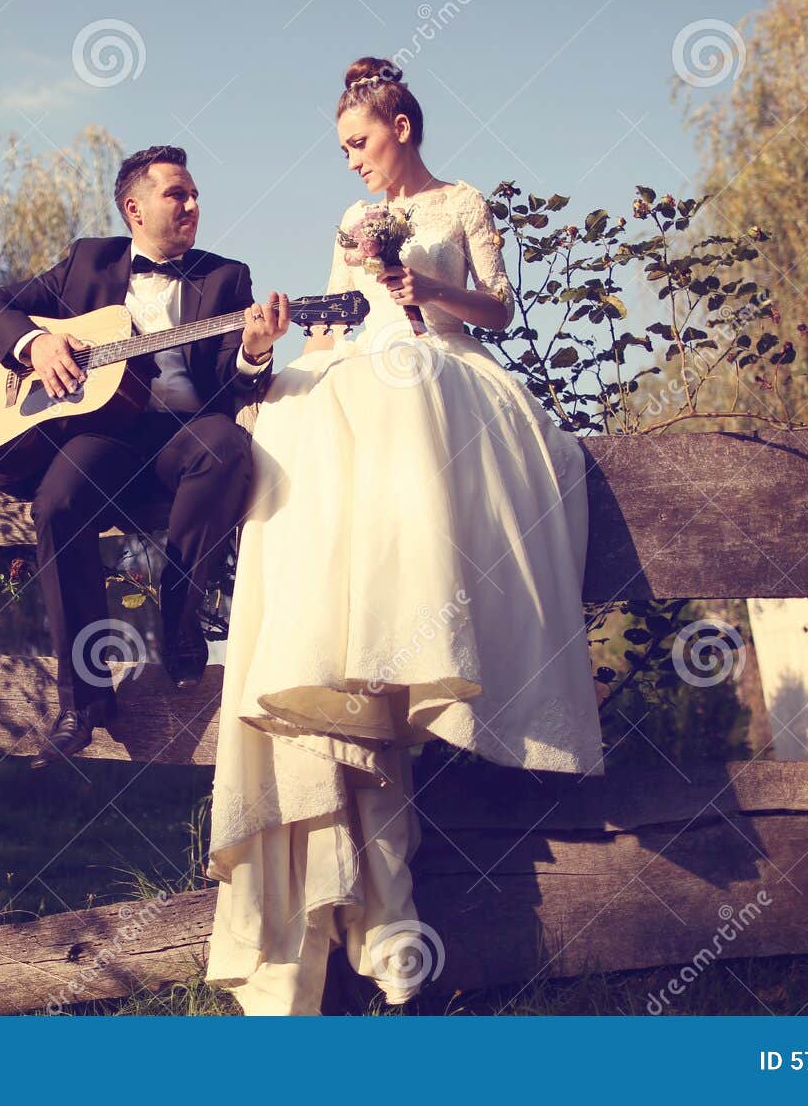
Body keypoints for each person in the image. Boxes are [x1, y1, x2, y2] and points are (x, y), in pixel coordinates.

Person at [203, 59, 607, 1014]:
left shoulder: (462, 203)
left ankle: (419, 635)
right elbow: (336, 333)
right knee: (297, 414)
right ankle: (333, 633)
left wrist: (427, 288)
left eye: (361, 140)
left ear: (404, 125)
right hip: (364, 357)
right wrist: (281, 346)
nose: (351, 162)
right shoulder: (351, 227)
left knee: (412, 387)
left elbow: (501, 311)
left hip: (445, 357)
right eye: (342, 147)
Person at [0, 145, 288, 769]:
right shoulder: (90, 260)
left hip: (185, 432)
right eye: (178, 194)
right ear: (134, 209)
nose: (193, 205)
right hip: (105, 432)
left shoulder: (226, 278)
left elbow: (229, 387)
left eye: (195, 194)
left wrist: (253, 350)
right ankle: (82, 703)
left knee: (225, 446)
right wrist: (35, 346)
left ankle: (181, 607)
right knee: (56, 504)